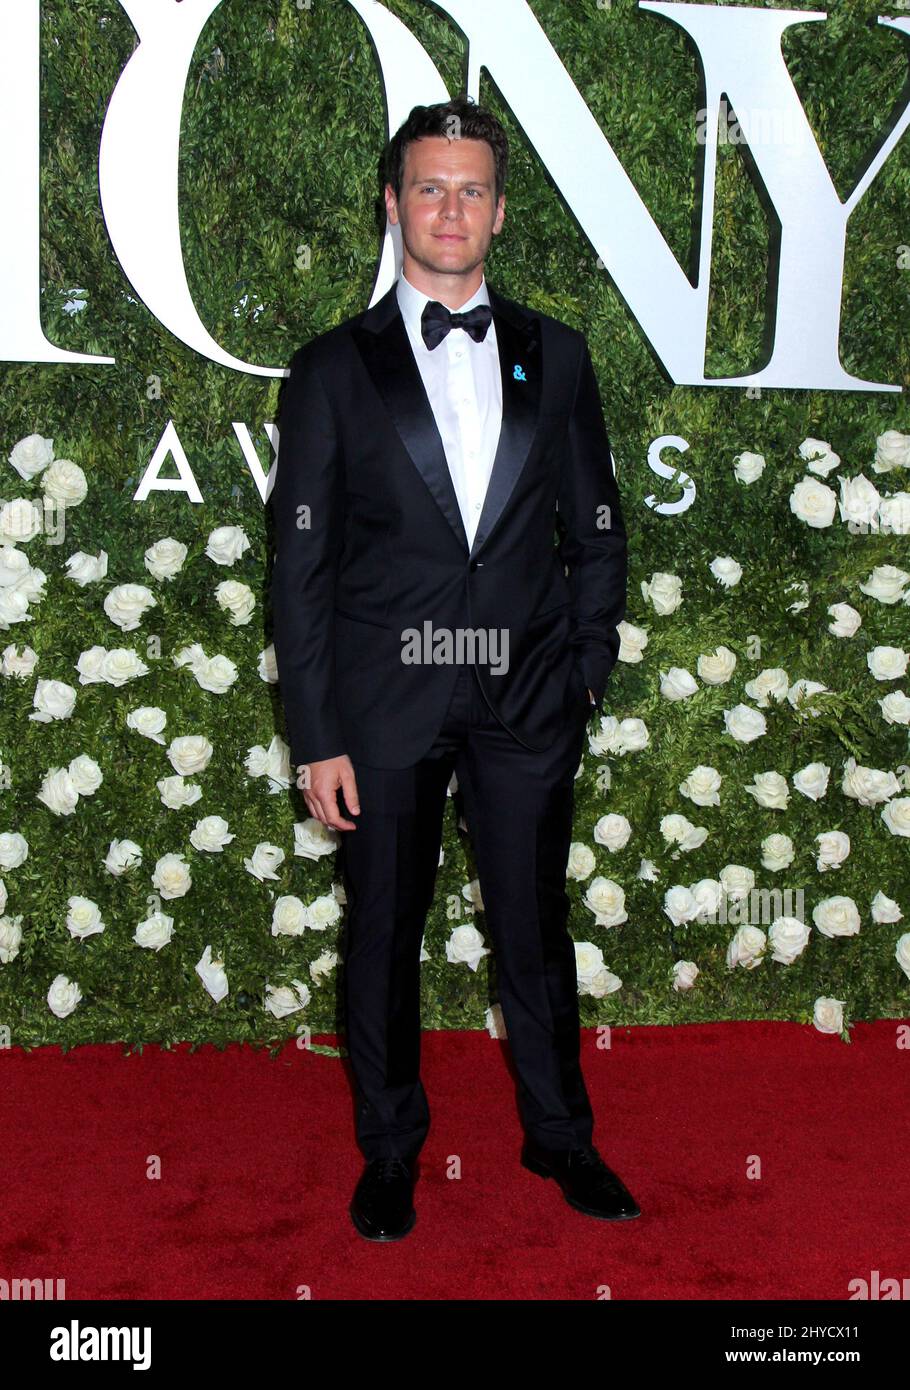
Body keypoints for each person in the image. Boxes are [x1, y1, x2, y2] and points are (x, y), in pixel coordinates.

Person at [268, 95, 638, 1240]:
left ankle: (559, 1137)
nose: (449, 207)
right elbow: (302, 566)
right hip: (384, 705)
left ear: (499, 210)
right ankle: (390, 1150)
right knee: (381, 927)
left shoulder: (558, 355)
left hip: (526, 699)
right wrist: (318, 731)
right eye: (428, 186)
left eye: (470, 188)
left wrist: (580, 675)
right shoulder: (333, 367)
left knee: (533, 926)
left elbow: (597, 529)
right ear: (392, 204)